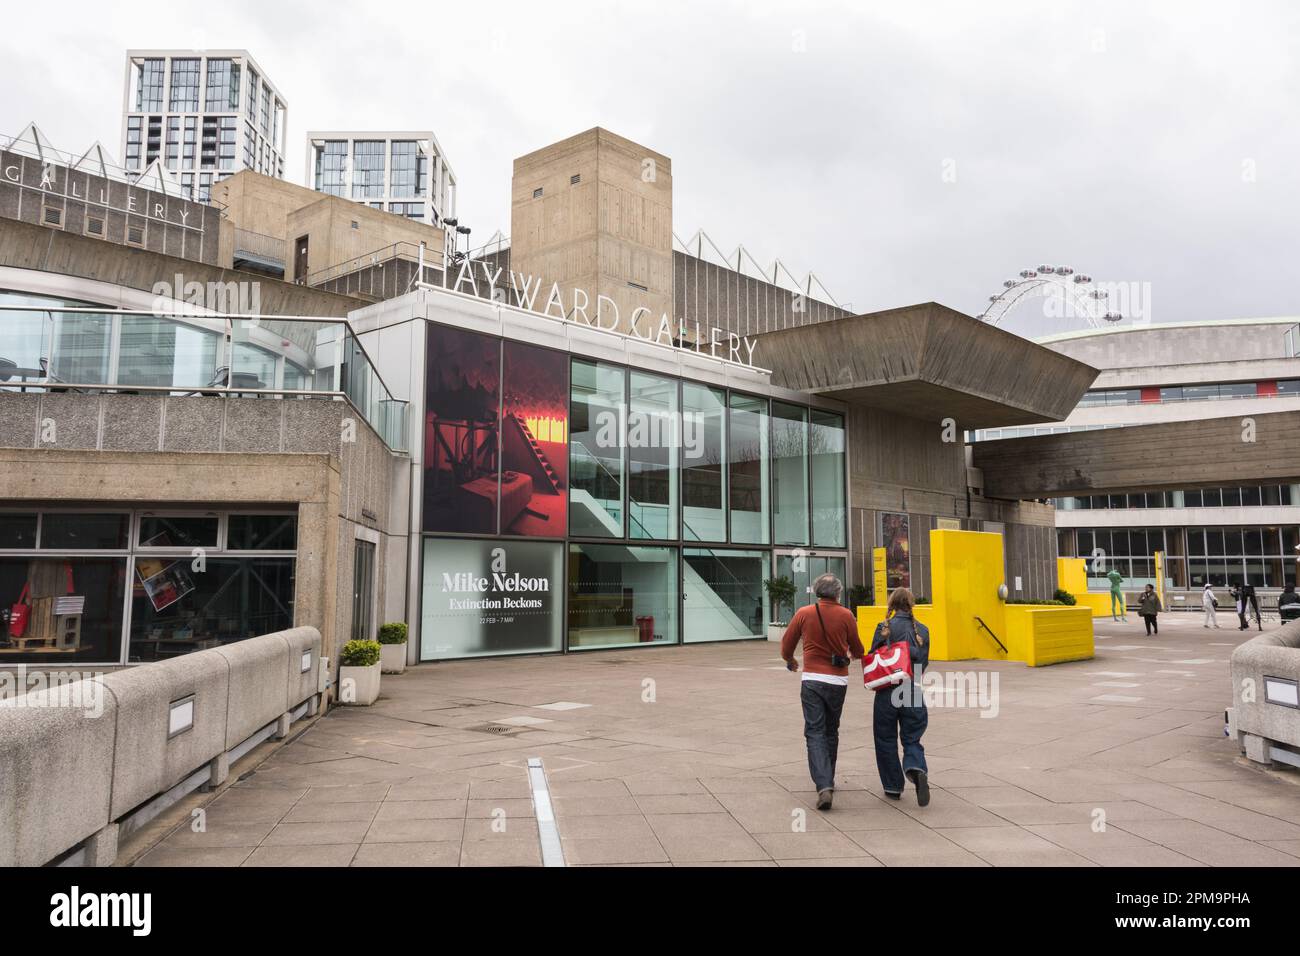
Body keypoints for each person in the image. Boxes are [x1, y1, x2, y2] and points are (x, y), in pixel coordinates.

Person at [781, 573, 864, 811]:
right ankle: (829, 778)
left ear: (817, 591)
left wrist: (791, 661)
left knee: (814, 731)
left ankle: (823, 784)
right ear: (838, 592)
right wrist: (852, 654)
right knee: (831, 730)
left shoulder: (804, 613)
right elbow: (858, 649)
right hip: (837, 681)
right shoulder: (847, 615)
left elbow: (787, 644)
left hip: (812, 680)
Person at [869, 587, 931, 806]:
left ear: (892, 604)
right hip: (911, 688)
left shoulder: (883, 628)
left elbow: (872, 658)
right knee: (912, 736)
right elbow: (922, 663)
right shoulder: (922, 631)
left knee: (885, 738)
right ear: (911, 604)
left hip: (887, 691)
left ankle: (892, 786)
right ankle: (915, 768)